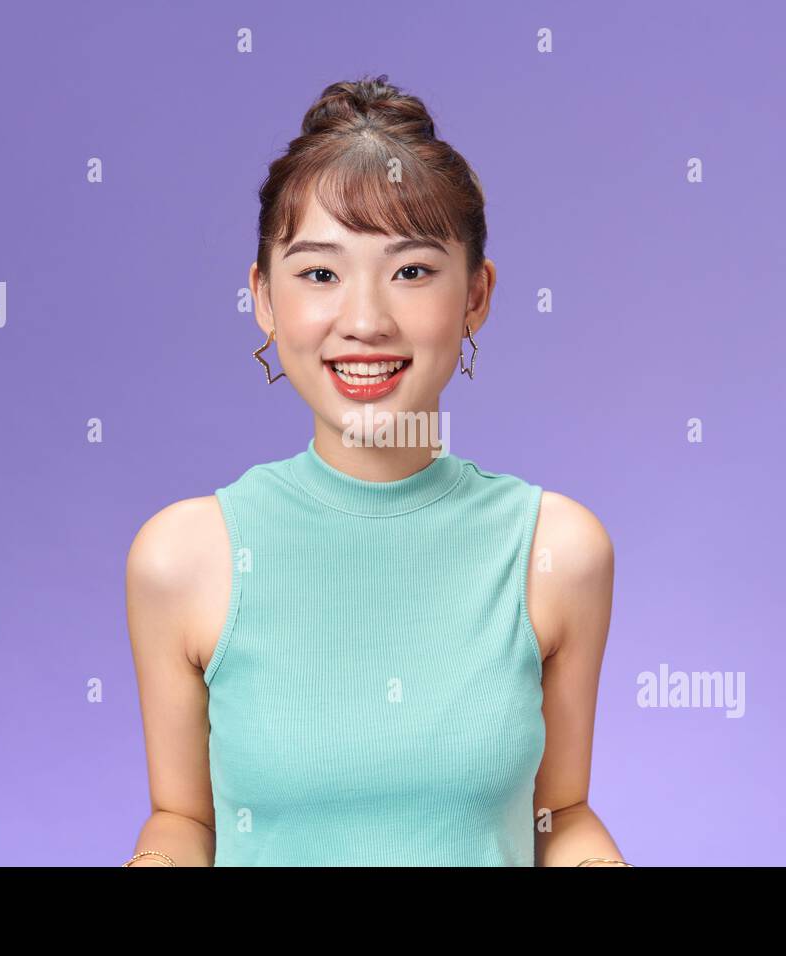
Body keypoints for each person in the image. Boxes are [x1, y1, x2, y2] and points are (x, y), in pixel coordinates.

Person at [122, 74, 629, 867]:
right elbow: (183, 822)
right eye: (319, 273)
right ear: (263, 297)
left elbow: (558, 815)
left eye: (413, 271)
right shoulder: (182, 557)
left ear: (477, 296)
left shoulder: (556, 548)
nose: (363, 321)